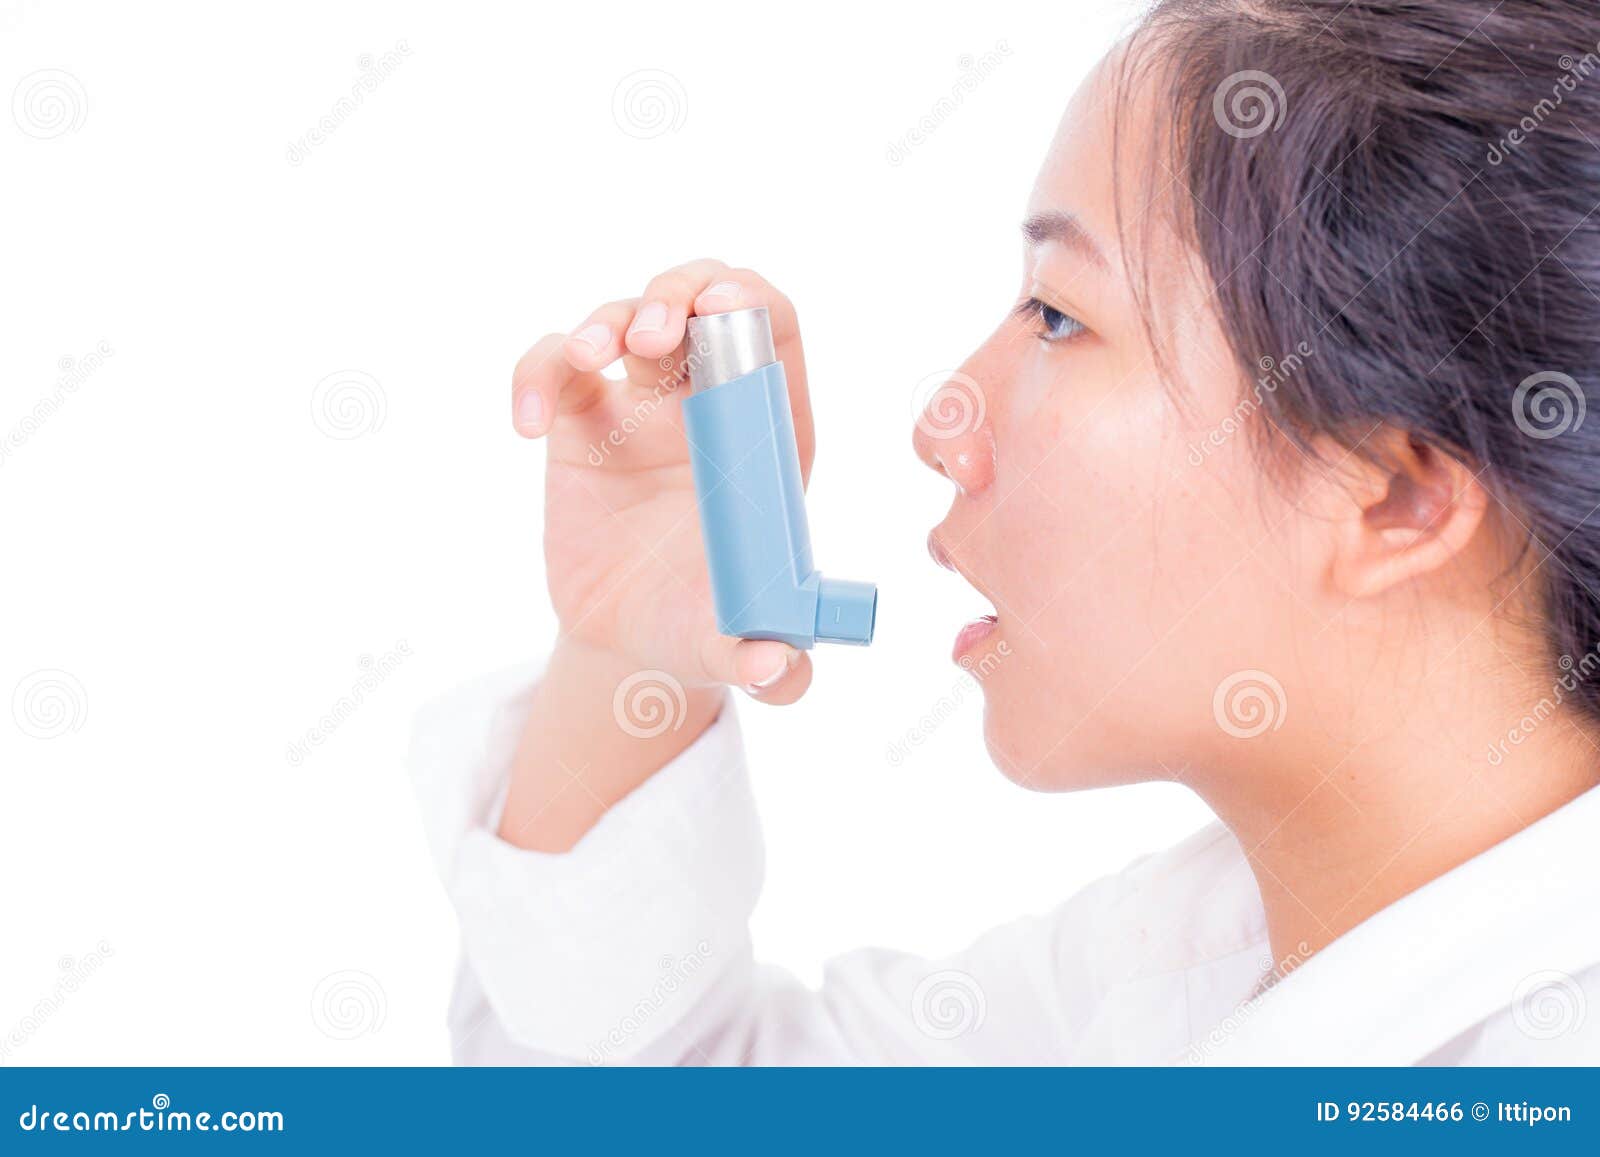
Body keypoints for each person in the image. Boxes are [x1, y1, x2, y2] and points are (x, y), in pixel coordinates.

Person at [410, 0, 1600, 1064]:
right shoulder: (1168, 966)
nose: (941, 424)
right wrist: (633, 652)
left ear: (1396, 498)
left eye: (1058, 315)